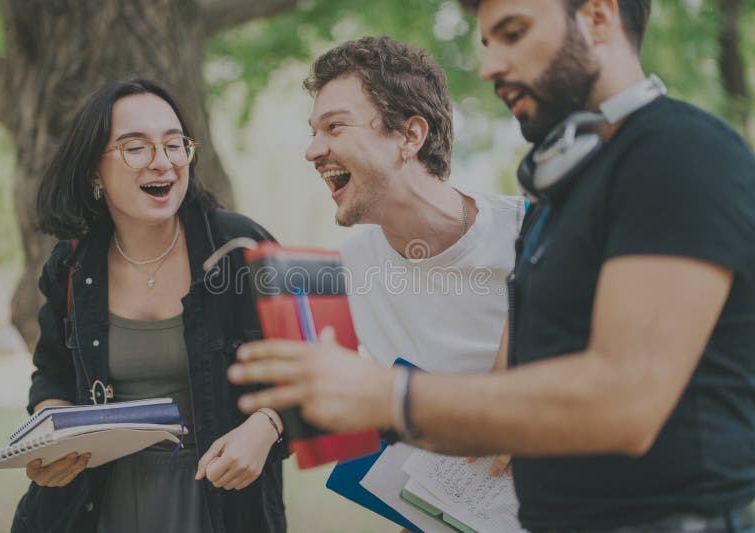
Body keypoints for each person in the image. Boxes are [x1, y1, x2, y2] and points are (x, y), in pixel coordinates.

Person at [227, 1, 755, 532]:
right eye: (488, 44)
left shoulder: (679, 153)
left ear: (597, 17)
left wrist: (389, 397)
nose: (489, 67)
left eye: (514, 33)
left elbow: (625, 402)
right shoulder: (560, 202)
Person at [11, 79, 287, 533]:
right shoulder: (71, 263)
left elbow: (315, 363)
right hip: (93, 503)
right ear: (93, 172)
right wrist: (50, 434)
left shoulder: (242, 246)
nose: (163, 162)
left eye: (174, 144)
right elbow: (53, 374)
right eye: (135, 147)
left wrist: (266, 425)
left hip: (221, 504)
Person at [306, 35, 524, 530]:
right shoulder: (350, 269)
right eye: (314, 132)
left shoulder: (533, 235)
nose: (312, 150)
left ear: (410, 136)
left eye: (335, 126)